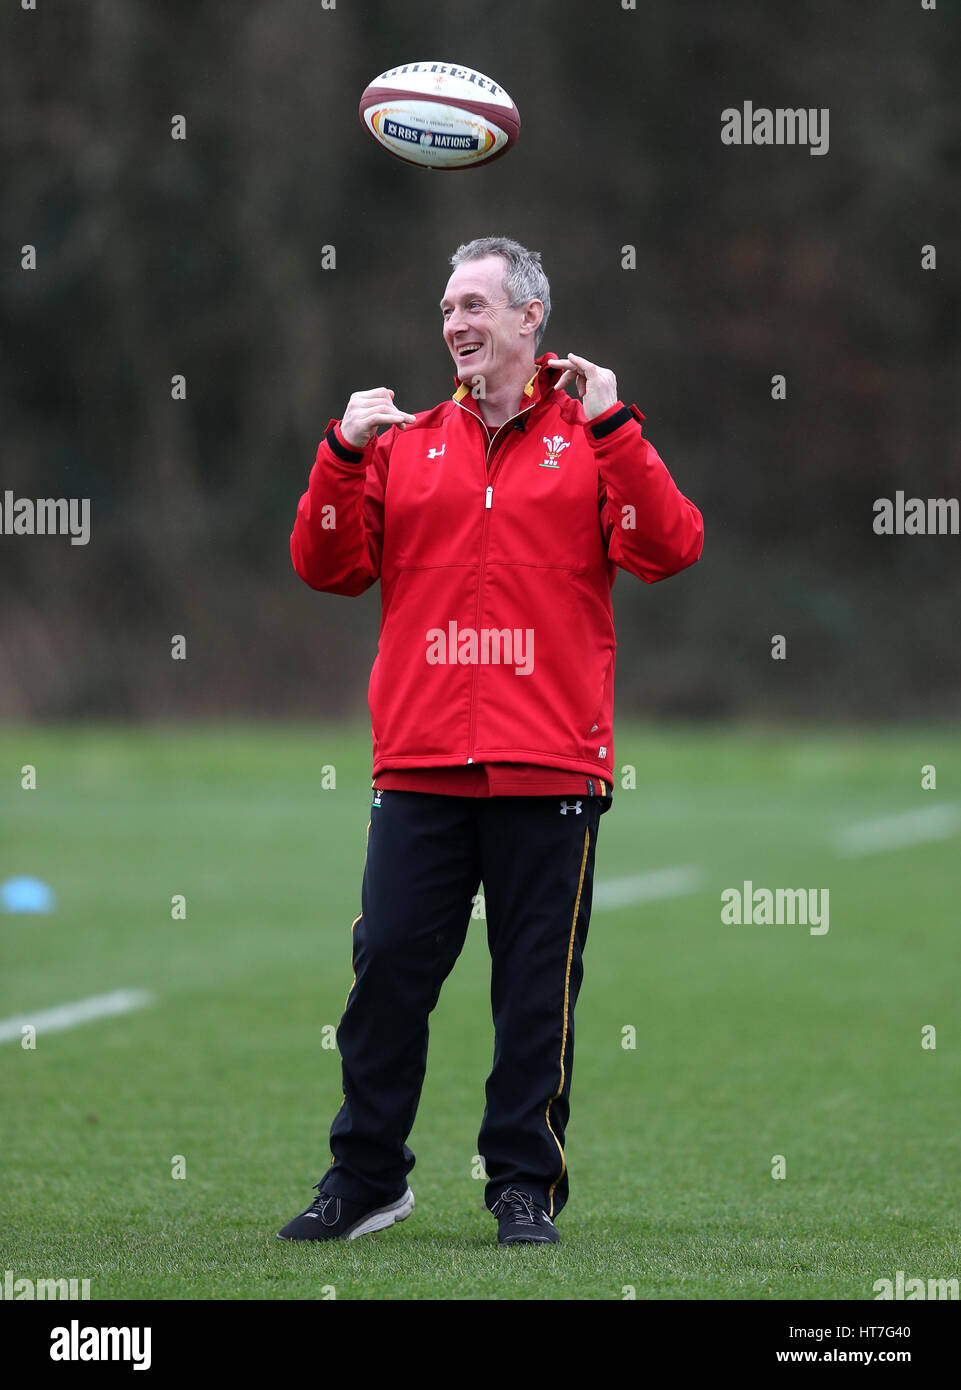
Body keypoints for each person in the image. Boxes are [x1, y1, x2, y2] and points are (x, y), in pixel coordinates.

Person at [280, 236, 703, 1246]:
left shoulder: (594, 436)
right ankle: (366, 1177)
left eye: (473, 304)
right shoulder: (405, 441)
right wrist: (339, 453)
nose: (455, 323)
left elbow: (669, 545)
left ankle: (522, 1186)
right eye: (445, 308)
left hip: (551, 763)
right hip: (421, 761)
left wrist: (614, 430)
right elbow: (325, 566)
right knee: (385, 965)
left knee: (533, 993)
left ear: (529, 318)